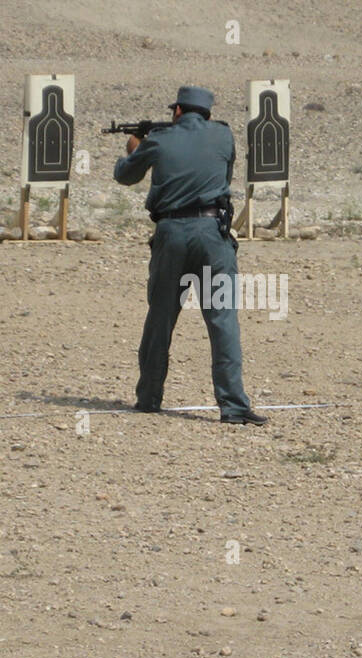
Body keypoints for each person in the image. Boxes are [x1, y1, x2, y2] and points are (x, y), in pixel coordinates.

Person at [113, 86, 267, 425]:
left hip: (171, 234)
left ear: (179, 111)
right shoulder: (224, 137)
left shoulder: (158, 141)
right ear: (207, 113)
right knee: (223, 320)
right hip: (213, 233)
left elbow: (125, 176)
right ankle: (234, 407)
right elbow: (220, 178)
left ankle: (149, 398)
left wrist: (134, 148)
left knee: (161, 319)